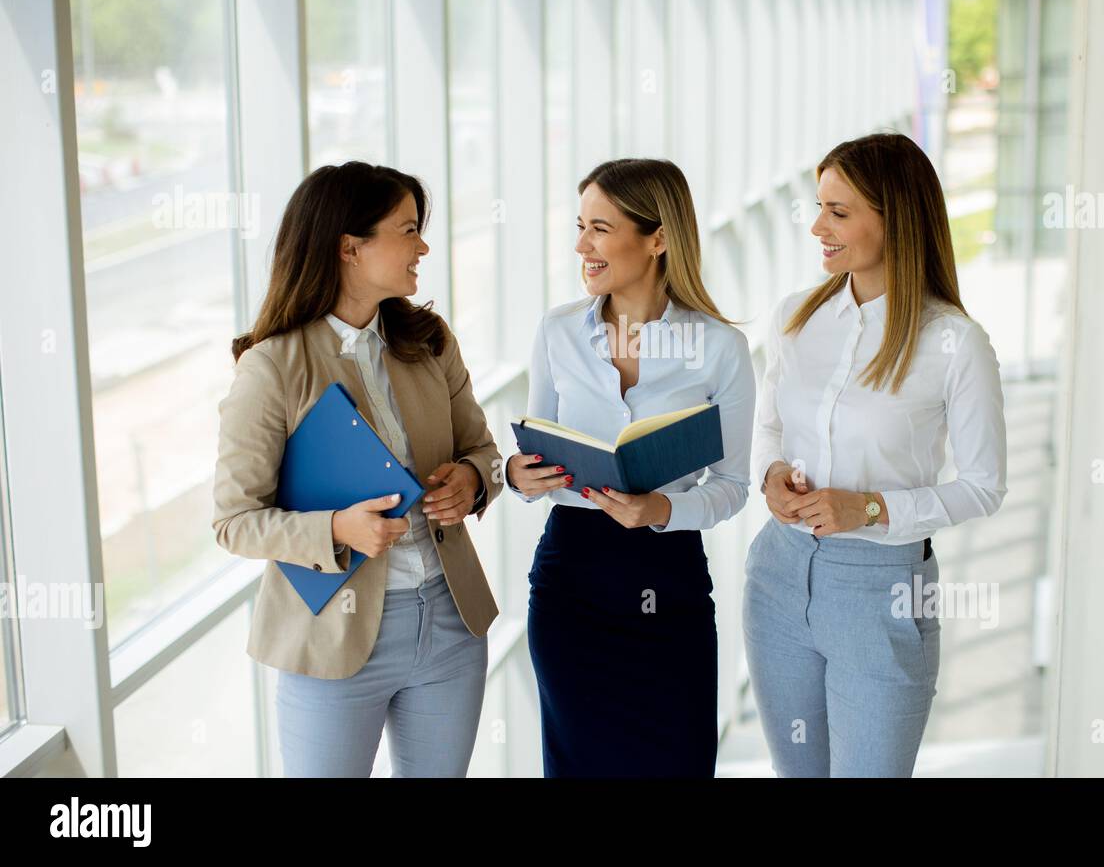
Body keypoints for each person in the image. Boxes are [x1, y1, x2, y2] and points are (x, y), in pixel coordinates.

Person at [213, 161, 502, 777]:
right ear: (350, 247)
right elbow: (234, 521)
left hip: (450, 623)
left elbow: (483, 451)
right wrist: (336, 529)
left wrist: (472, 481)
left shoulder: (429, 341)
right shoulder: (273, 368)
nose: (422, 245)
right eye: (407, 230)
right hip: (332, 641)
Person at [744, 133, 1007, 777]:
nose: (817, 227)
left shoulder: (954, 343)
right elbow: (770, 427)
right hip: (779, 577)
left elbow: (983, 485)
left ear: (897, 218)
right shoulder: (795, 318)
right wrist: (771, 475)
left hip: (881, 593)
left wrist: (869, 508)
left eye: (839, 212)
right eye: (819, 207)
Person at [506, 158, 756, 777]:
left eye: (599, 228)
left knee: (678, 760)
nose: (581, 246)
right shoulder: (558, 330)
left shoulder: (720, 348)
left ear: (658, 238)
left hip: (666, 577)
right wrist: (518, 475)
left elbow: (731, 487)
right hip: (572, 580)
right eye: (580, 226)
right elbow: (534, 447)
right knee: (577, 764)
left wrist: (661, 509)